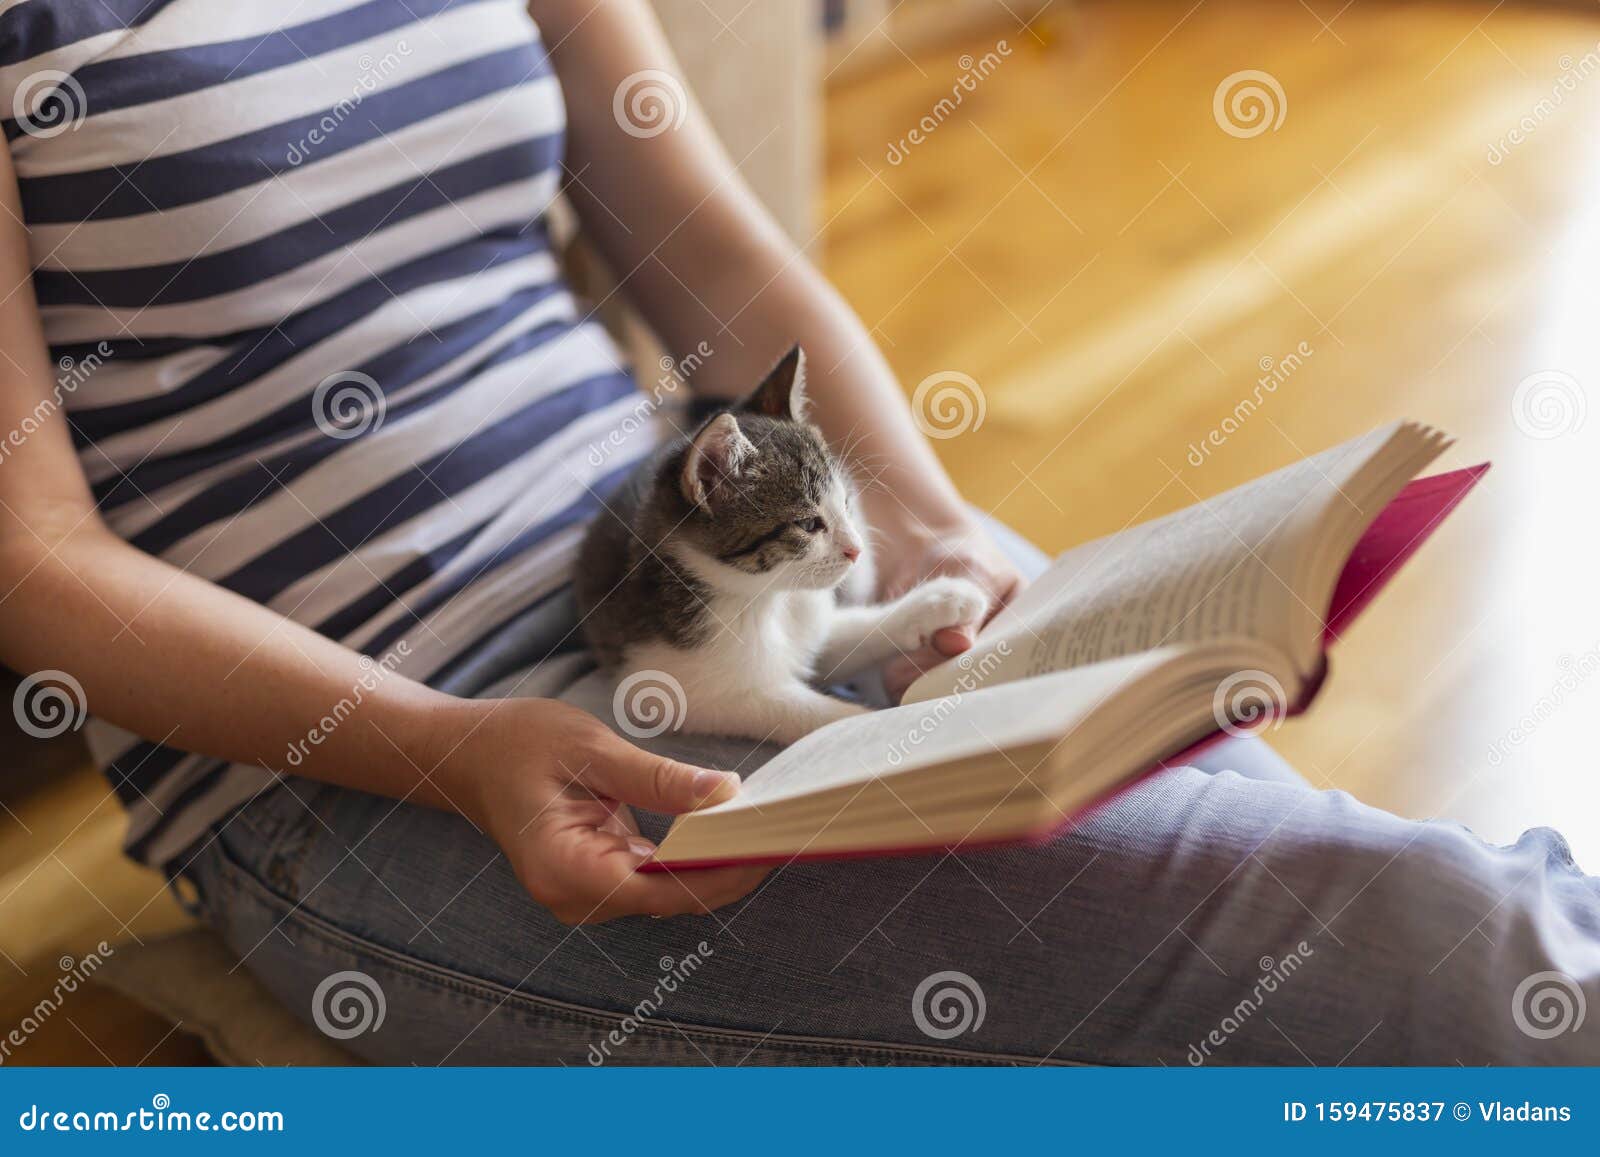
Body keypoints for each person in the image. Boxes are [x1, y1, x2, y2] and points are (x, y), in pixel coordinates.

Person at [0, 0, 1593, 1065]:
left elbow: (716, 259)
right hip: (371, 757)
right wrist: (451, 744)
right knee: (1416, 947)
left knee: (1363, 894)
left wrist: (933, 529)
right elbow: (33, 559)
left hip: (716, 573)